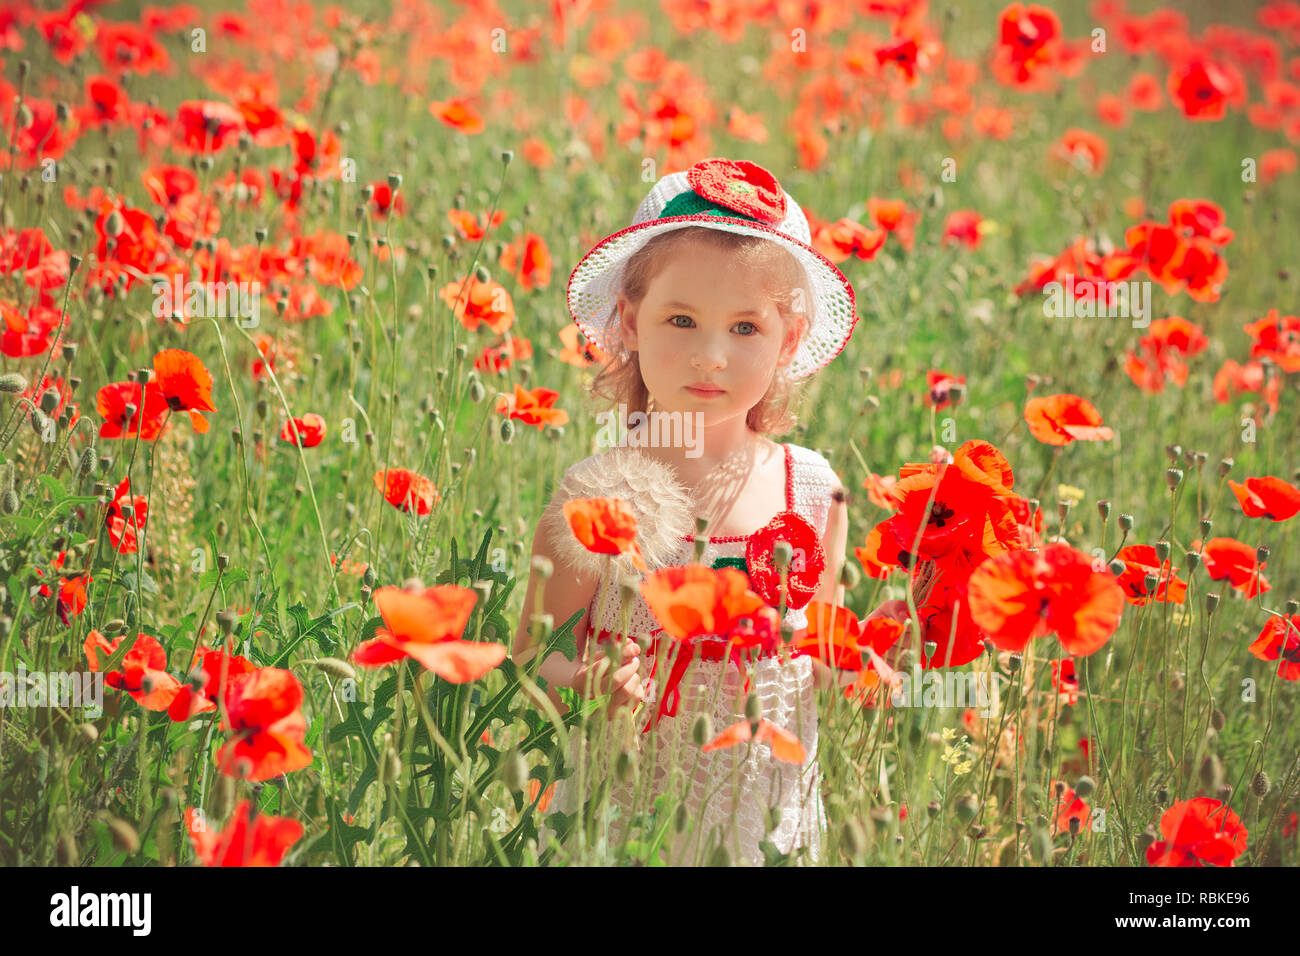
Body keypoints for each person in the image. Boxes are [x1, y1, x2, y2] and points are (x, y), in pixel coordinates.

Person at [511, 157, 902, 866]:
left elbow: (819, 655)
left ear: (789, 340)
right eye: (682, 320)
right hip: (622, 817)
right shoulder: (592, 495)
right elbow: (533, 657)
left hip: (766, 820)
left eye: (746, 329)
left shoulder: (815, 492)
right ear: (630, 322)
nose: (711, 357)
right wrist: (585, 683)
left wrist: (874, 661)